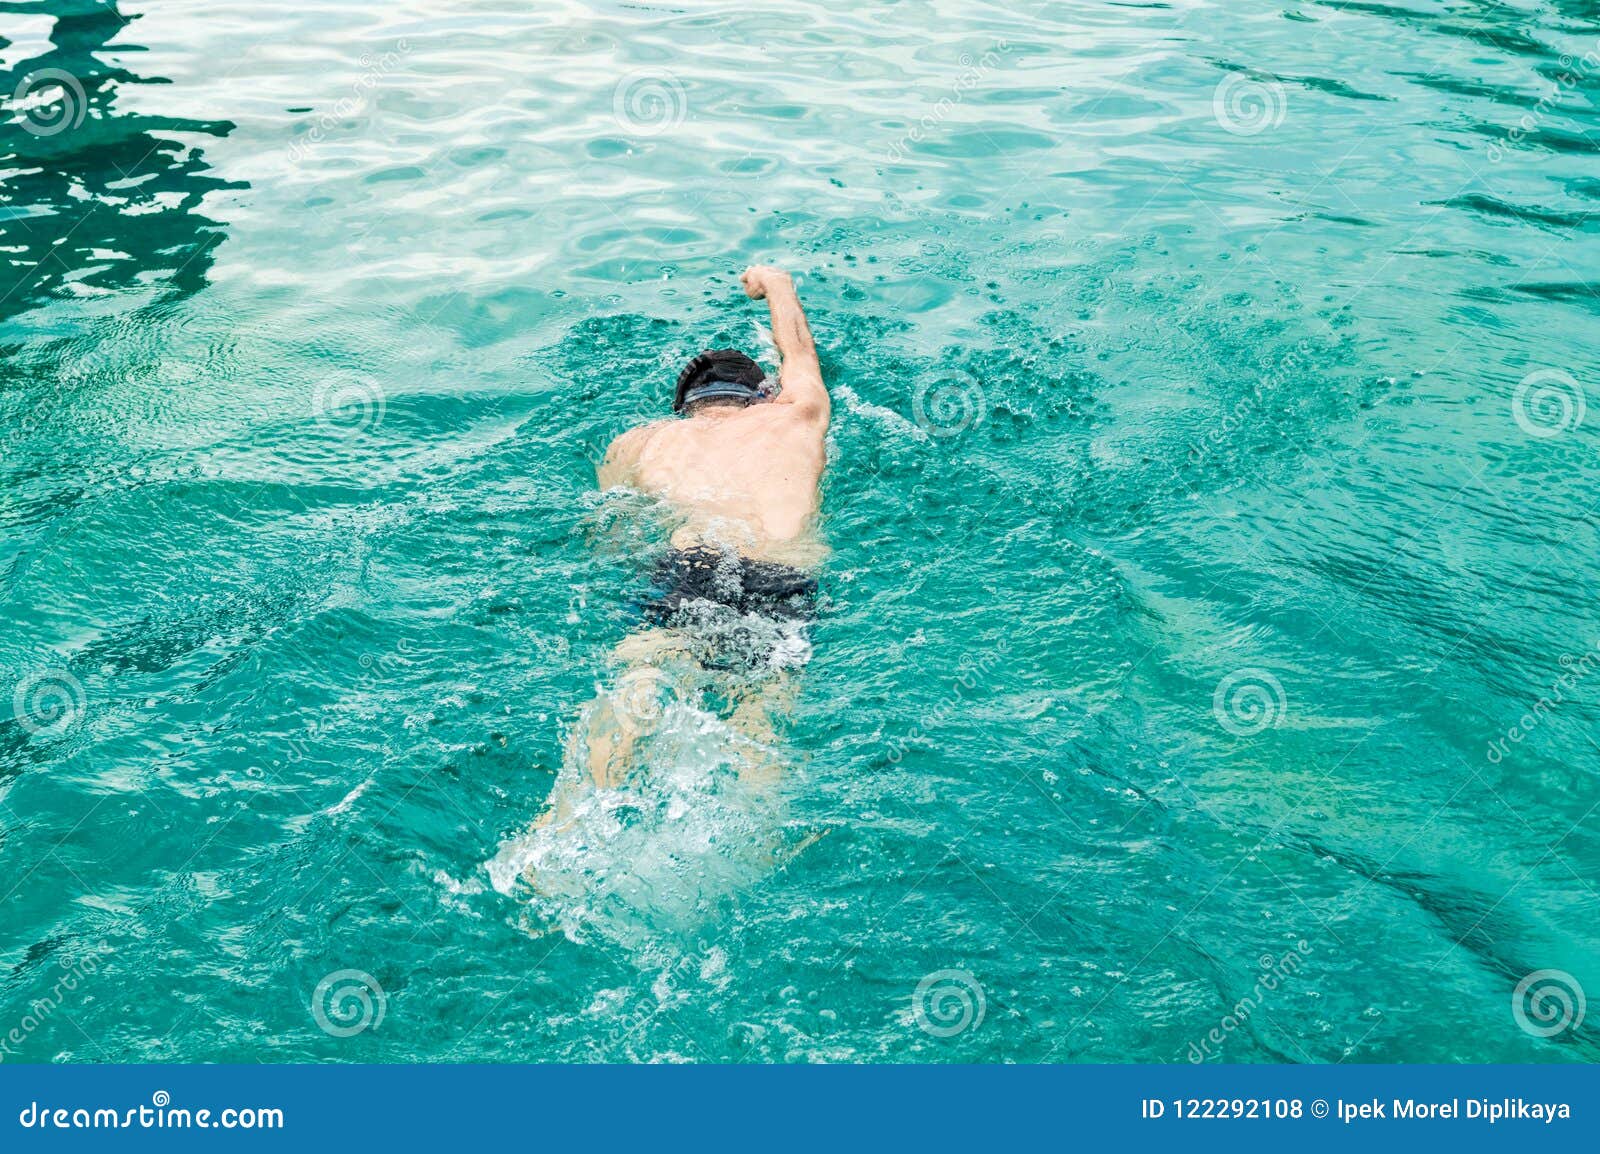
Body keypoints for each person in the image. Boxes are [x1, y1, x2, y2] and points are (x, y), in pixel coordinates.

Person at [539, 265, 829, 831]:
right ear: (764, 395)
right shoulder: (799, 417)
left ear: (686, 405)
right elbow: (798, 351)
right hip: (781, 577)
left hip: (688, 568)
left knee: (639, 686)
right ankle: (754, 837)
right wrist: (775, 283)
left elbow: (612, 536)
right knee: (761, 718)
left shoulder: (640, 442)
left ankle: (562, 825)